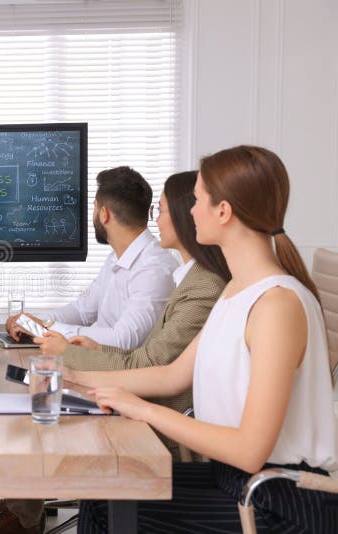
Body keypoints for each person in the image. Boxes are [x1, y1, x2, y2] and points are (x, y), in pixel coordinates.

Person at [74, 146, 337, 532]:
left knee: (106, 510)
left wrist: (143, 409)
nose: (190, 210)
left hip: (280, 501)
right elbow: (172, 376)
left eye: (197, 200)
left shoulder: (277, 305)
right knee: (102, 489)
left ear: (224, 212)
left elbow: (250, 450)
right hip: (233, 481)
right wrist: (73, 381)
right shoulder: (236, 290)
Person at [0, 171, 231, 534]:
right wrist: (42, 324)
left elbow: (130, 343)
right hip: (119, 374)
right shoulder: (144, 265)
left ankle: (23, 514)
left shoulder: (164, 270)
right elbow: (85, 308)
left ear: (103, 213)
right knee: (27, 386)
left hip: (137, 391)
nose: (156, 218)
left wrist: (58, 339)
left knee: (35, 394)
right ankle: (20, 506)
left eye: (162, 210)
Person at [6, 166, 179, 351]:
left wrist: (46, 327)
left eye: (94, 207)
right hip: (97, 366)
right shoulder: (116, 258)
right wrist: (30, 323)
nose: (93, 214)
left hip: (120, 374)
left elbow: (123, 340)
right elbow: (83, 310)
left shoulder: (154, 269)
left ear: (104, 214)